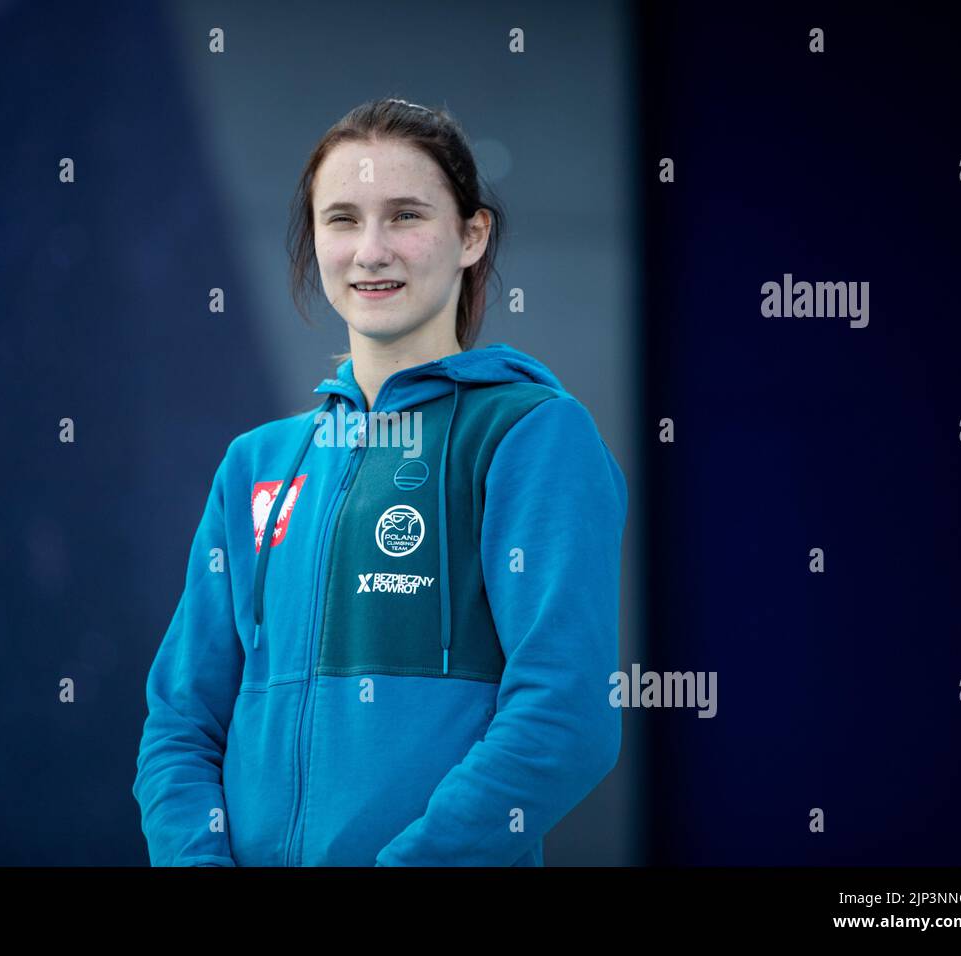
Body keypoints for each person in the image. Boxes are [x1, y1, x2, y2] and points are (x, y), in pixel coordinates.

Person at [132, 96, 628, 866]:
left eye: (404, 216)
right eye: (342, 219)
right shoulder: (255, 465)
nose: (371, 250)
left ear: (471, 235)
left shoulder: (531, 434)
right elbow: (181, 721)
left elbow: (567, 717)